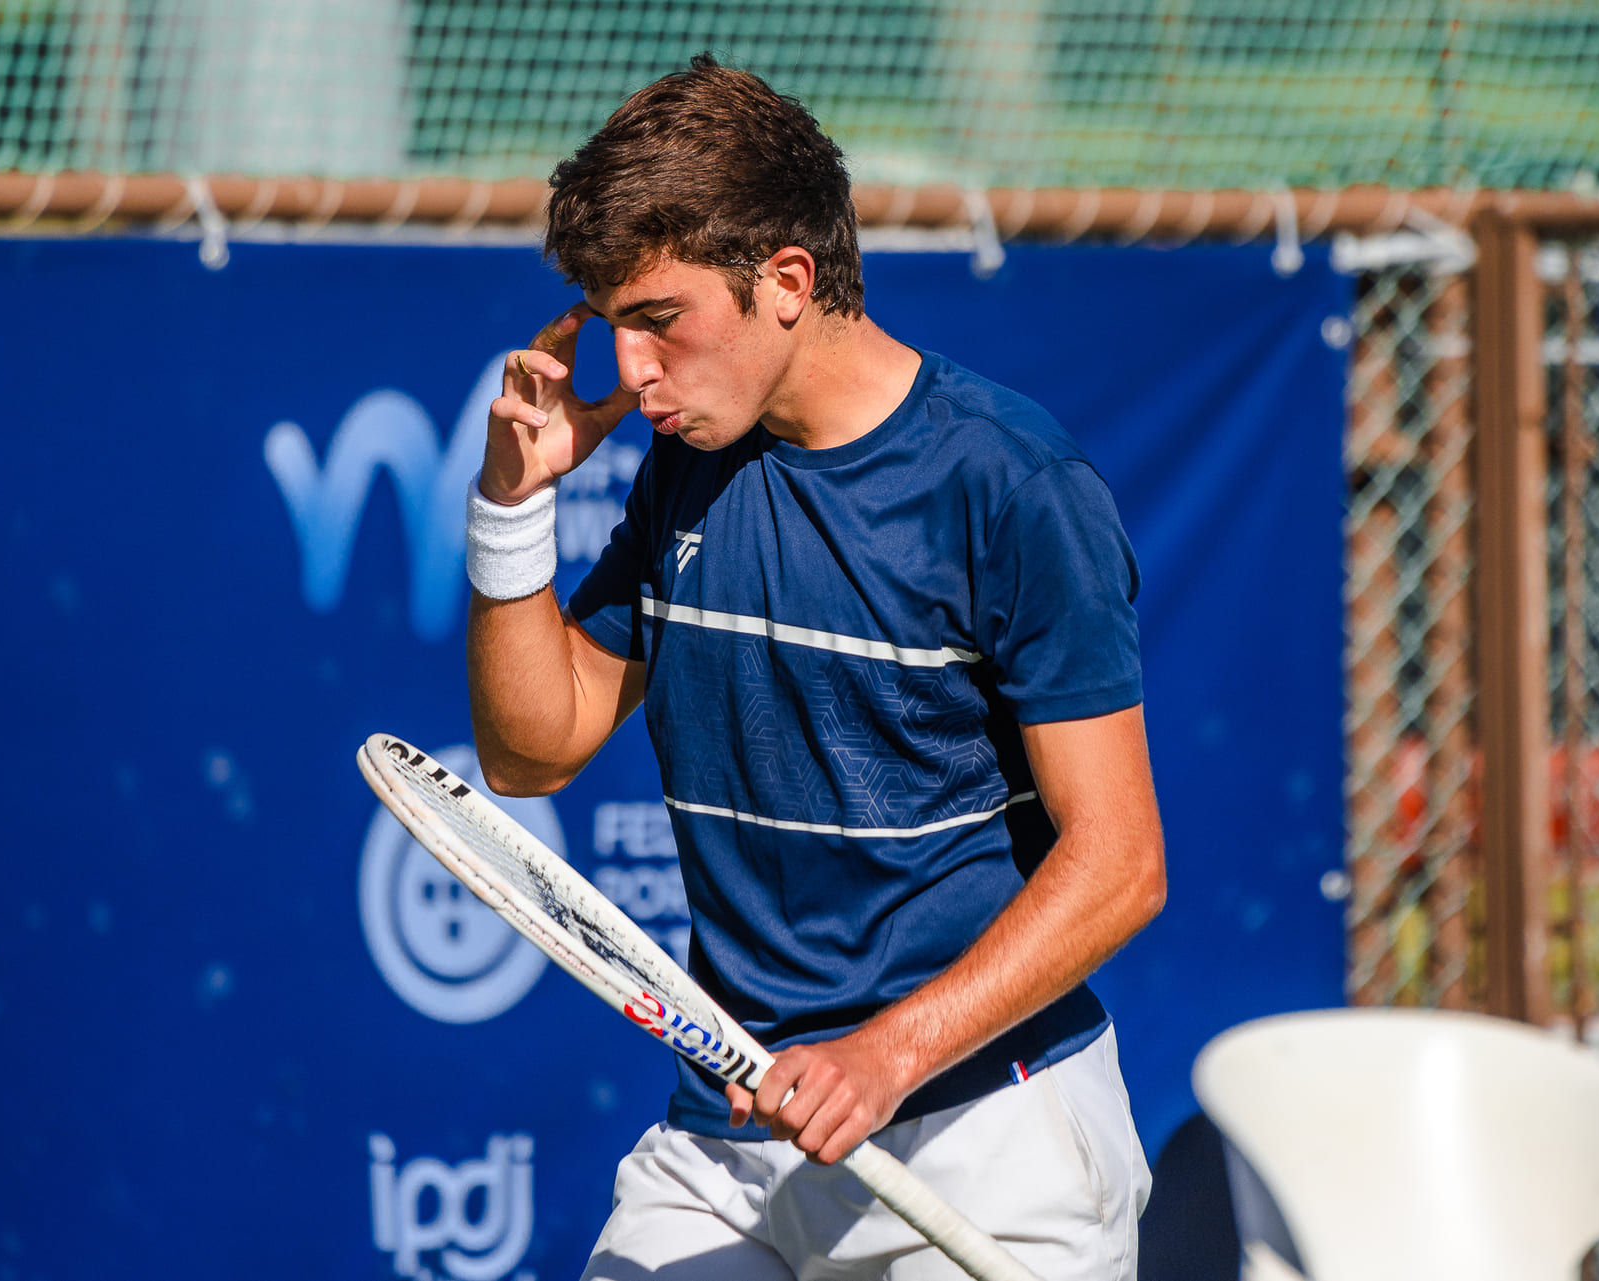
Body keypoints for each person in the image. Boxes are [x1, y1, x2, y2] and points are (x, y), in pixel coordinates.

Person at [463, 54, 1165, 1281]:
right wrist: (512, 507)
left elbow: (1121, 864)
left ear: (787, 281)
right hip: (725, 1136)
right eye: (614, 321)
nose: (628, 372)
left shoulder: (1012, 487)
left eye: (659, 317)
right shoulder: (691, 464)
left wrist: (888, 1053)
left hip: (981, 1135)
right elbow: (532, 750)